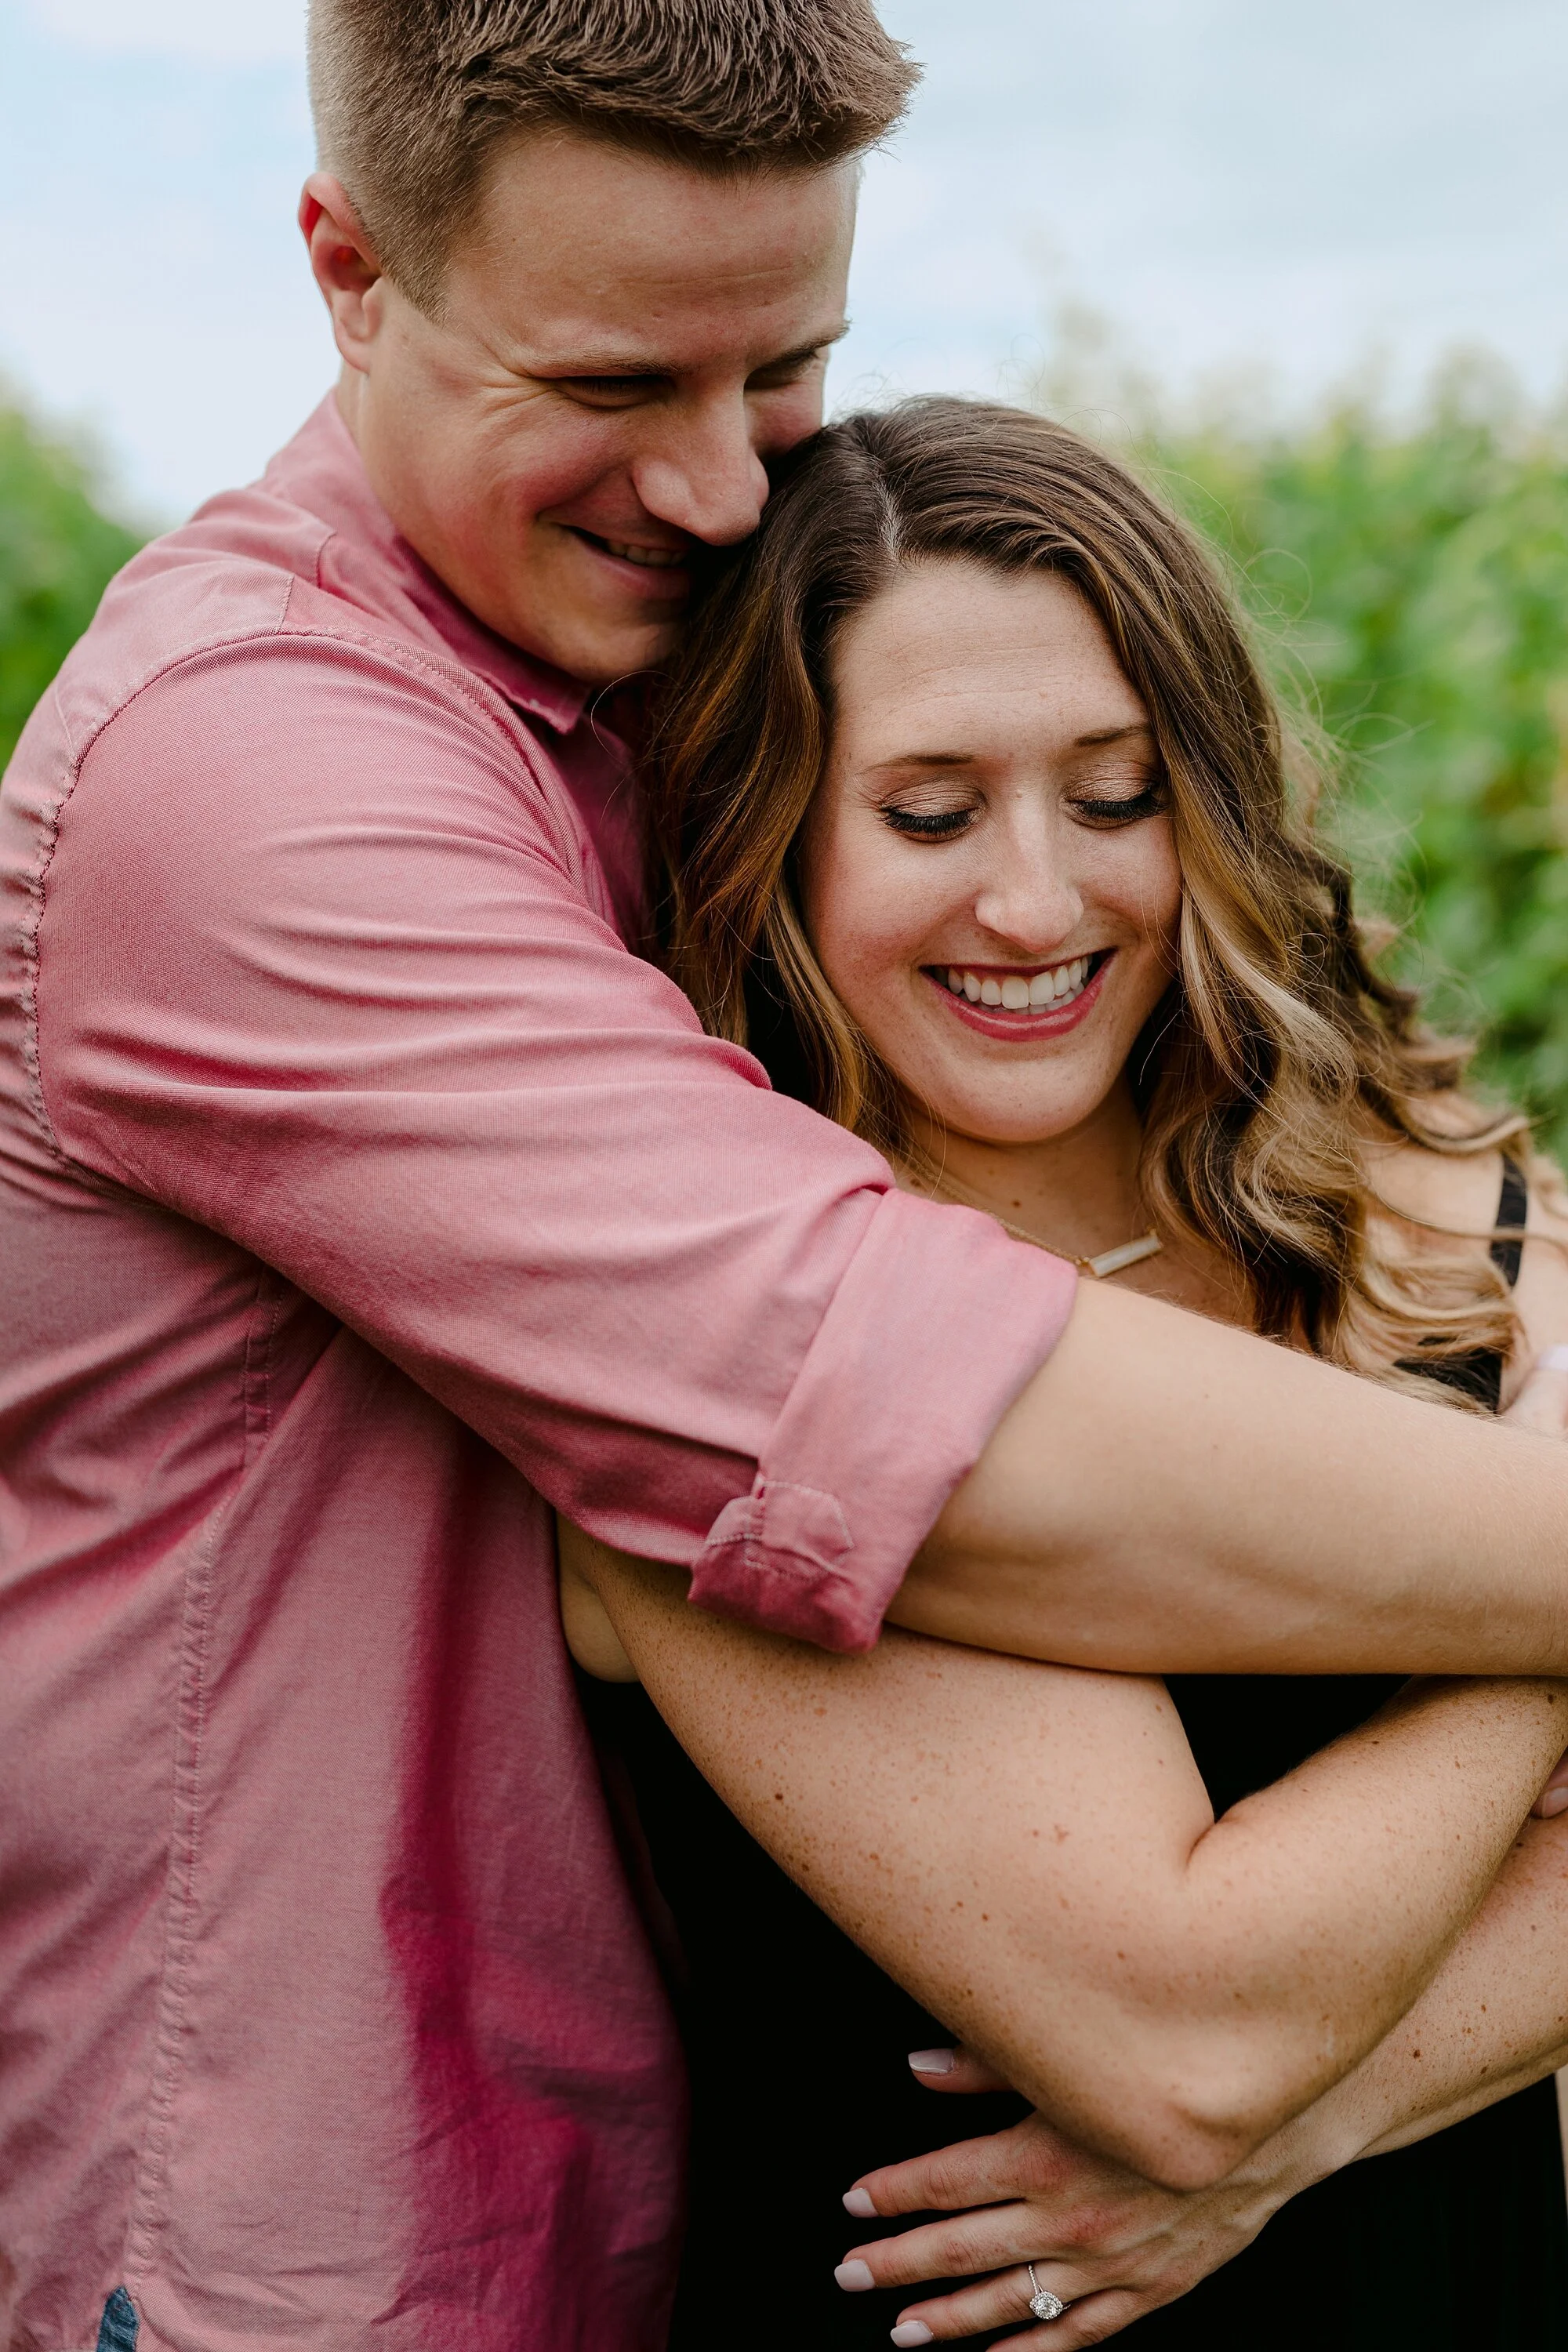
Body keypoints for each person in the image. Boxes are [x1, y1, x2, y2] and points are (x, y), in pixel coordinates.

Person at [5, 5, 1568, 2347]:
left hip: (606, 2188)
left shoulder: (647, 663)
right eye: (623, 387)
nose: (731, 489)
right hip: (306, 2248)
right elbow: (880, 1394)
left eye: (788, 370)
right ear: (348, 268)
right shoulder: (260, 784)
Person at [559, 398, 1568, 2349]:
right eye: (928, 813)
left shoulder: (1452, 1214)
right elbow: (1193, 2034)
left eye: (1112, 798)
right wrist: (1540, 1629)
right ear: (761, 829)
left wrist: (1318, 2125)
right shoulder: (726, 1357)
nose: (1035, 903)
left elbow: (1251, 2101)